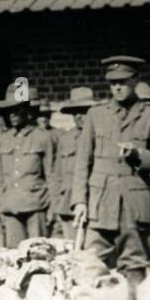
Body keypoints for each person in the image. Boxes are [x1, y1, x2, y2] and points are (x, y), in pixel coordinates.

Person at [70, 56, 150, 286]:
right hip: (100, 203)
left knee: (135, 265)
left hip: (134, 205)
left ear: (135, 80)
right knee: (91, 265)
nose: (117, 87)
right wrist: (79, 200)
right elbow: (82, 162)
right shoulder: (96, 115)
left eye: (123, 82)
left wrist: (139, 155)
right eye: (112, 83)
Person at [0, 81, 56, 247]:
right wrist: (1, 206)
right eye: (9, 110)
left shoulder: (42, 137)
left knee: (39, 255)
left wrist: (53, 207)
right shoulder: (3, 139)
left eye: (16, 109)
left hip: (36, 206)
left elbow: (51, 175)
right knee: (15, 259)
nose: (12, 114)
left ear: (26, 109)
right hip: (11, 207)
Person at [50, 87, 95, 239]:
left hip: (94, 204)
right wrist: (56, 202)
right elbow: (57, 175)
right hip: (68, 205)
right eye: (74, 112)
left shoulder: (101, 137)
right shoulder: (65, 139)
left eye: (83, 111)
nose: (78, 116)